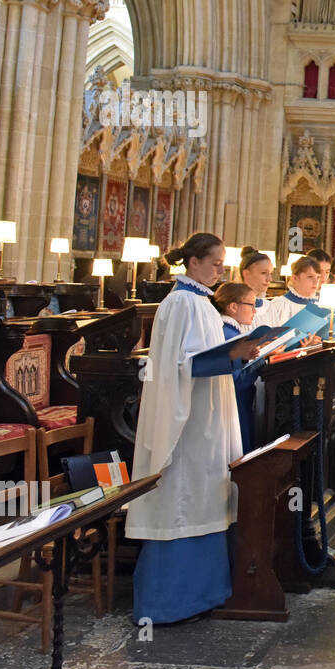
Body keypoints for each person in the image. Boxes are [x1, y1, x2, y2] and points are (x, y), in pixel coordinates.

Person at [126, 232, 260, 625]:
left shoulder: (199, 300)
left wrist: (241, 353)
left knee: (206, 497)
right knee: (186, 499)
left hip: (207, 415)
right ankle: (170, 603)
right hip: (188, 423)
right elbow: (186, 366)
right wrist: (235, 354)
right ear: (194, 262)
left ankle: (205, 594)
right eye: (216, 263)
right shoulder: (183, 302)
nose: (221, 270)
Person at [213, 281, 263, 454]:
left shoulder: (231, 331)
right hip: (233, 408)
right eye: (251, 305)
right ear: (233, 307)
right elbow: (233, 382)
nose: (255, 311)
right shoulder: (229, 335)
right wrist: (260, 362)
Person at [238, 247, 273, 314]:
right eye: (263, 273)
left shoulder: (270, 307)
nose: (269, 279)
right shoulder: (234, 307)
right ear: (246, 274)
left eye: (271, 273)